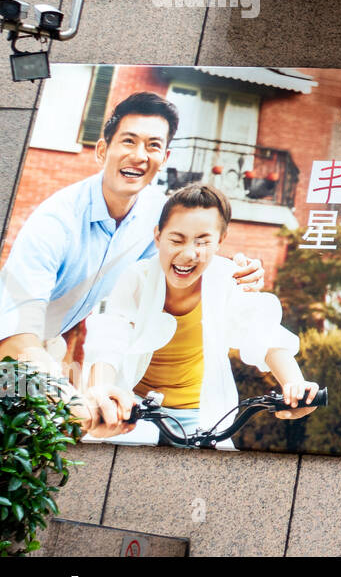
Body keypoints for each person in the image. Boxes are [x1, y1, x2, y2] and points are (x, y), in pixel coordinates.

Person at [0, 92, 263, 436]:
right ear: (101, 150)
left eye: (153, 145)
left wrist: (240, 271)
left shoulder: (156, 216)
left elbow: (184, 261)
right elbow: (14, 338)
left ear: (165, 157)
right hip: (17, 356)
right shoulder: (55, 221)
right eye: (128, 141)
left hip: (50, 350)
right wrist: (74, 400)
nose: (139, 156)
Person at [80, 183, 315, 447]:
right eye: (176, 240)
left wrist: (294, 384)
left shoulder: (228, 280)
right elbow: (110, 337)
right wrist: (100, 390)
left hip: (200, 414)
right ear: (157, 236)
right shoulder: (138, 277)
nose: (189, 254)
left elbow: (262, 332)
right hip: (134, 407)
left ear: (220, 241)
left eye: (202, 241)